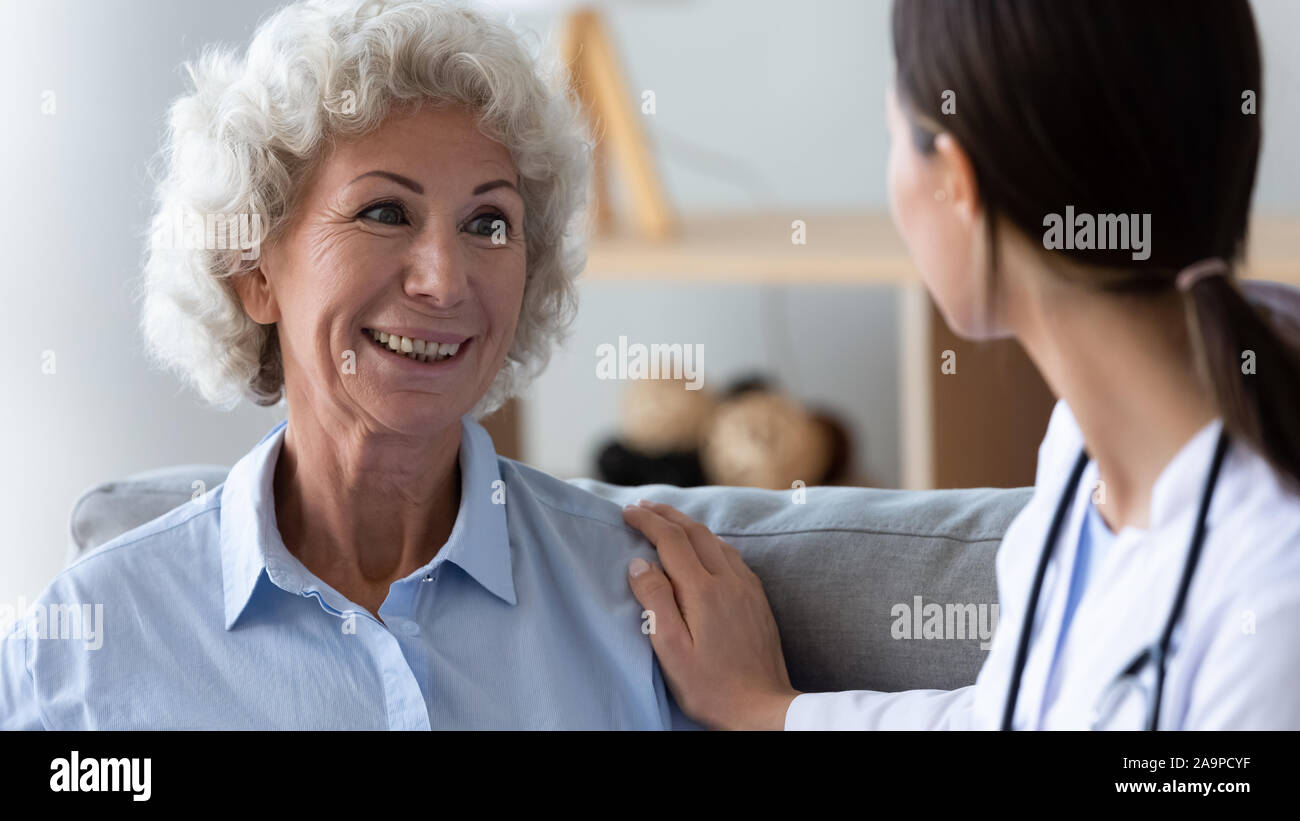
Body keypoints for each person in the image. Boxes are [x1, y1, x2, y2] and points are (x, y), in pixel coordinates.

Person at [0, 0, 684, 730]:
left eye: (489, 223)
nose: (445, 281)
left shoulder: (645, 601)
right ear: (253, 271)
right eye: (385, 213)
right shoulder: (85, 646)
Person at [622, 0, 1300, 730]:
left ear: (954, 180)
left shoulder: (1268, 591)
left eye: (892, 139)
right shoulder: (1089, 441)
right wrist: (772, 713)